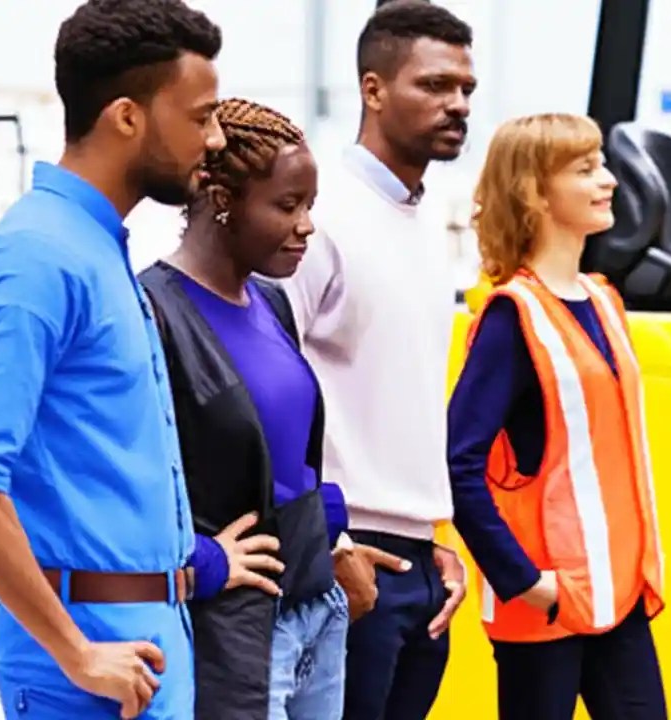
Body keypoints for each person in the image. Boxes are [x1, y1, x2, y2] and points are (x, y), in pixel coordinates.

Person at [0, 1, 224, 718]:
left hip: (148, 648)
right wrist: (74, 651)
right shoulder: (40, 257)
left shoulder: (96, 247)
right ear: (127, 116)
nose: (214, 138)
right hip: (89, 673)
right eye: (200, 115)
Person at [279, 2, 476, 717]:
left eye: (465, 89)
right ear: (372, 89)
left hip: (421, 565)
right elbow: (264, 384)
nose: (457, 104)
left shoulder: (427, 223)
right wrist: (327, 545)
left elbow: (408, 398)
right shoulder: (320, 217)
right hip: (347, 552)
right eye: (434, 85)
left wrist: (439, 540)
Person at [447, 113, 668, 720]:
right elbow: (459, 464)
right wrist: (522, 580)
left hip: (616, 592)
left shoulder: (604, 299)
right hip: (546, 602)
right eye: (586, 169)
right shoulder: (511, 316)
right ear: (535, 193)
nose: (610, 181)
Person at [137, 97, 351, 720]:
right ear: (220, 198)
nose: (306, 225)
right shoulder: (155, 311)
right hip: (233, 628)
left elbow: (289, 455)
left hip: (314, 607)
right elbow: (140, 473)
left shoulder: (273, 302)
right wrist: (200, 563)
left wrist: (328, 533)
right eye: (286, 206)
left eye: (310, 206)